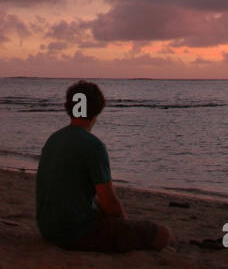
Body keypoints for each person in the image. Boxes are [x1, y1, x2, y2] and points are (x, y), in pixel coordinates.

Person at [36, 81, 172, 253]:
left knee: (97, 208)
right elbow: (110, 202)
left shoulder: (54, 139)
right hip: (74, 233)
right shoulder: (93, 145)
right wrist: (124, 225)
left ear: (69, 107)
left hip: (48, 229)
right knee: (162, 234)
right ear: (98, 109)